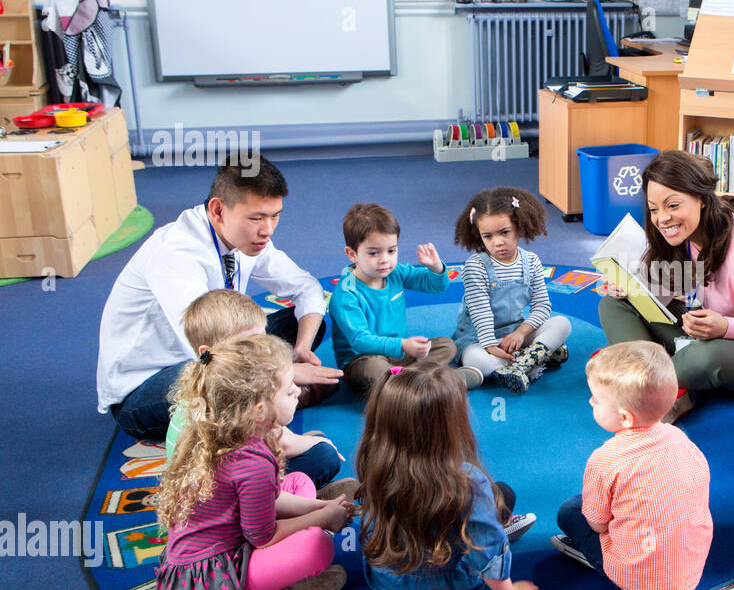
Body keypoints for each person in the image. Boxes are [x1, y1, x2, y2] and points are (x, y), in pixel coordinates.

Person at [97, 157, 342, 442]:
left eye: (275, 215)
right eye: (257, 217)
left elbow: (306, 287)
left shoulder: (245, 238)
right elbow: (209, 355)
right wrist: (283, 370)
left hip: (218, 351)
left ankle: (266, 401)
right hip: (147, 386)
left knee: (300, 322)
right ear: (217, 210)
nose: (268, 229)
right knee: (220, 379)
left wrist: (300, 349)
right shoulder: (176, 254)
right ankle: (273, 401)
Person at [154, 334, 354, 590]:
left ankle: (319, 508)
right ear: (259, 410)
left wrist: (319, 506)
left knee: (297, 480)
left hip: (218, 547)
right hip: (209, 583)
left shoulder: (232, 431)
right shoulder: (252, 463)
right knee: (316, 546)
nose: (299, 393)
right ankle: (285, 583)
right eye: (289, 391)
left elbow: (271, 500)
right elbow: (263, 537)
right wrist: (322, 518)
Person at [598, 150, 734, 418]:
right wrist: (631, 287)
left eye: (673, 205)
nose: (662, 218)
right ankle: (659, 381)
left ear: (701, 199)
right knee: (614, 304)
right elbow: (679, 287)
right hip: (700, 330)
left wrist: (726, 327)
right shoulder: (681, 234)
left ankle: (637, 379)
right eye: (654, 209)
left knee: (703, 359)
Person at [356, 363, 540, 590]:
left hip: (385, 578)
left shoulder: (376, 457)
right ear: (446, 425)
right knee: (500, 497)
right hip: (444, 584)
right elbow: (486, 545)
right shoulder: (467, 479)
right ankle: (501, 527)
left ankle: (497, 523)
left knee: (499, 494)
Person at [552, 342, 712, 590]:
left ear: (625, 418)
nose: (589, 401)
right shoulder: (681, 439)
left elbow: (598, 524)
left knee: (570, 510)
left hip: (639, 577)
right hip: (690, 569)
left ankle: (598, 561)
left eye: (596, 399)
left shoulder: (605, 459)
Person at [164, 290, 347, 490]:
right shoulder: (235, 394)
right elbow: (283, 443)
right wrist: (318, 445)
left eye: (262, 338)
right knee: (323, 455)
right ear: (207, 351)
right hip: (224, 499)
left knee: (313, 440)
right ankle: (299, 501)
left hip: (213, 484)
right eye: (247, 343)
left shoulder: (209, 379)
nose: (260, 348)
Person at [329, 202, 481, 396]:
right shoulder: (346, 294)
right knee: (376, 370)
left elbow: (436, 287)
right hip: (362, 361)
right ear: (352, 254)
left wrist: (436, 268)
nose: (384, 259)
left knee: (446, 346)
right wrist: (403, 345)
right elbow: (360, 341)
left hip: (397, 355)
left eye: (391, 250)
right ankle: (440, 383)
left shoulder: (395, 272)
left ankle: (407, 385)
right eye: (373, 253)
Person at [451, 187, 571, 394]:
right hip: (478, 339)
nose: (497, 241)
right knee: (474, 358)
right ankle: (533, 358)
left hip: (514, 335)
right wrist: (490, 346)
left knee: (562, 324)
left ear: (519, 227)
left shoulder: (531, 261)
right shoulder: (475, 266)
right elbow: (481, 312)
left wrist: (520, 333)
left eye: (504, 232)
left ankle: (520, 365)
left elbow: (542, 306)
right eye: (487, 236)